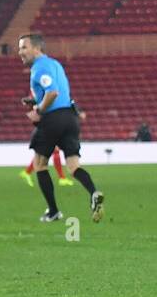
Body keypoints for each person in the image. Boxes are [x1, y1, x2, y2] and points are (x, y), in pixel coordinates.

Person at [18, 34, 105, 223]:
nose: (20, 52)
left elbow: (53, 92)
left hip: (52, 119)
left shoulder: (39, 68)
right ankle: (93, 193)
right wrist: (35, 101)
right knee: (74, 166)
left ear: (36, 48)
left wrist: (38, 110)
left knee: (40, 164)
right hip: (70, 118)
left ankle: (53, 211)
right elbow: (59, 91)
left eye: (24, 48)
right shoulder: (55, 64)